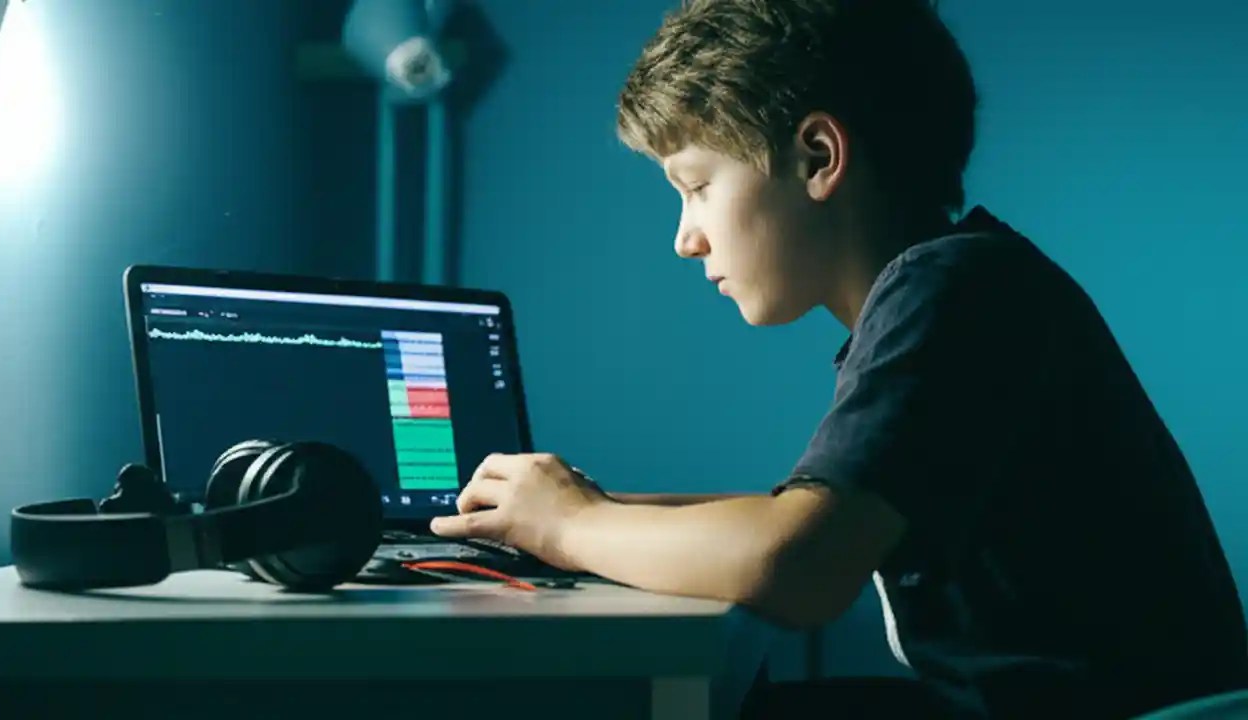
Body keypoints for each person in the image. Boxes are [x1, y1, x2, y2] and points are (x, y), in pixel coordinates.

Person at [430, 0, 1248, 717]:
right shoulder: (962, 285)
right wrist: (588, 508)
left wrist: (574, 525)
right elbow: (813, 514)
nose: (686, 238)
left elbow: (799, 561)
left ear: (819, 157)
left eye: (697, 186)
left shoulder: (950, 291)